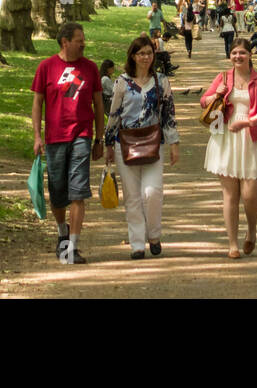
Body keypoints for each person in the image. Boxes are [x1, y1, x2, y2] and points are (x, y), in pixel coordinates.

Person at [31, 22, 105, 264]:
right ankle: (62, 231)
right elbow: (37, 103)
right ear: (65, 42)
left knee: (78, 191)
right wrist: (37, 136)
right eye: (79, 39)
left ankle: (72, 247)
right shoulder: (46, 67)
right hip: (54, 138)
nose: (83, 43)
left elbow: (98, 104)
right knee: (57, 193)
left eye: (83, 39)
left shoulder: (91, 68)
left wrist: (99, 138)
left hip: (81, 135)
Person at [106, 36, 181, 259]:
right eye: (141, 54)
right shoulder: (122, 82)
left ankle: (154, 234)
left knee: (152, 192)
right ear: (133, 56)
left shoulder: (161, 81)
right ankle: (137, 244)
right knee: (132, 196)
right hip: (124, 144)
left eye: (149, 53)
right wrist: (108, 143)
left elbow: (169, 114)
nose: (146, 57)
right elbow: (114, 114)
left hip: (153, 143)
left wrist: (174, 143)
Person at [200, 38, 257, 258]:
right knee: (230, 194)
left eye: (242, 53)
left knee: (249, 195)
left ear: (250, 55)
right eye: (234, 53)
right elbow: (204, 101)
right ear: (230, 56)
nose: (238, 57)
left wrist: (247, 123)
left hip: (249, 137)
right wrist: (216, 94)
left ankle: (251, 230)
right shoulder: (223, 77)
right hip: (225, 137)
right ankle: (232, 244)